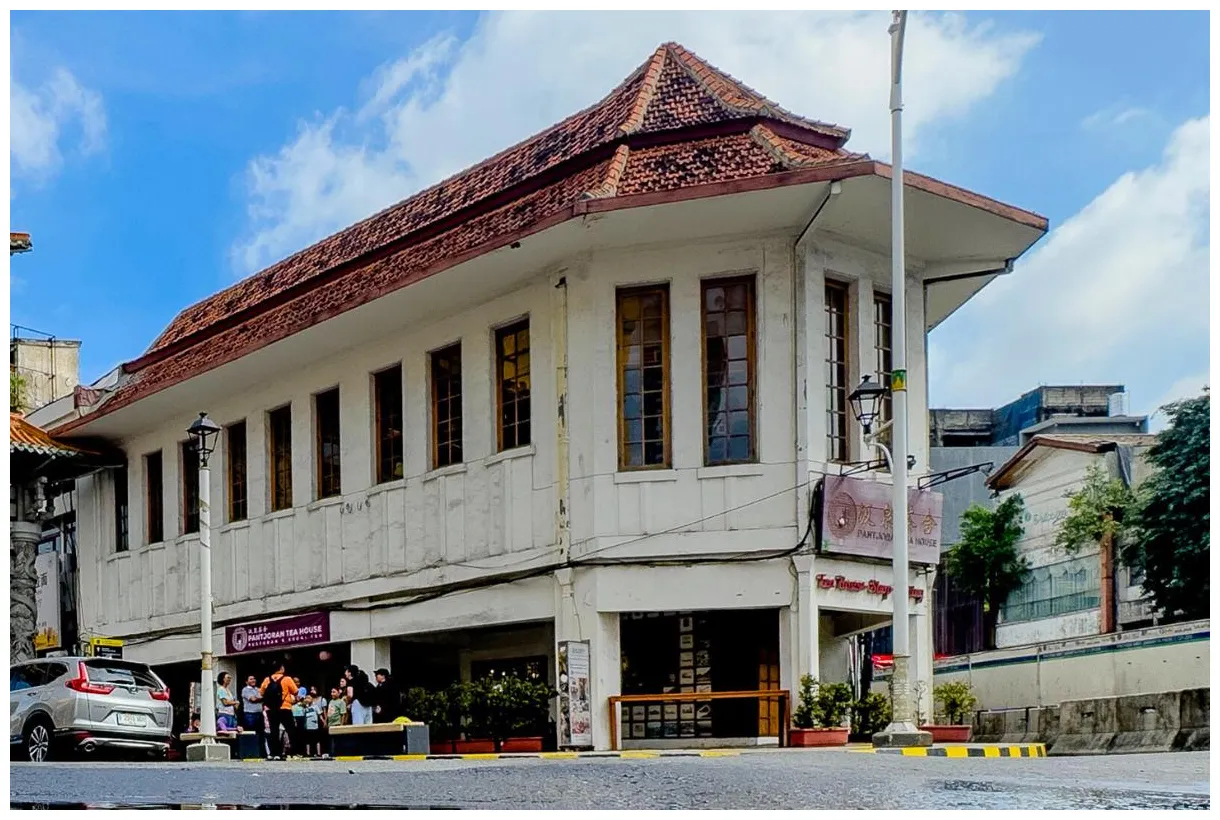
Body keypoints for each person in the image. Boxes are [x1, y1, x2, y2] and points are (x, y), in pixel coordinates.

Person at [259, 663, 298, 760]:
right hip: (285, 707)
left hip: (271, 709)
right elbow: (295, 691)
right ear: (281, 668)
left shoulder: (267, 679)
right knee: (291, 730)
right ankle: (294, 752)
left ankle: (275, 753)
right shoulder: (287, 679)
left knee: (274, 731)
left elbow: (261, 693)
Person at [240, 675, 266, 753]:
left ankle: (261, 753)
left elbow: (263, 698)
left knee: (261, 734)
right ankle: (249, 752)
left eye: (254, 678)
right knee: (250, 733)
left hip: (259, 714)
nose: (253, 680)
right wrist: (260, 698)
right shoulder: (245, 690)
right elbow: (253, 699)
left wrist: (260, 698)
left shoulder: (258, 689)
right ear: (246, 681)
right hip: (250, 714)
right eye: (251, 679)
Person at [326, 686, 347, 755]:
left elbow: (343, 714)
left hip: (337, 723)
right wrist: (326, 722)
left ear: (338, 693)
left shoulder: (341, 702)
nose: (332, 694)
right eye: (331, 692)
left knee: (337, 740)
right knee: (331, 740)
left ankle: (338, 753)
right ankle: (332, 753)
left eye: (334, 692)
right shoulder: (331, 701)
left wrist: (341, 724)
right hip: (330, 724)